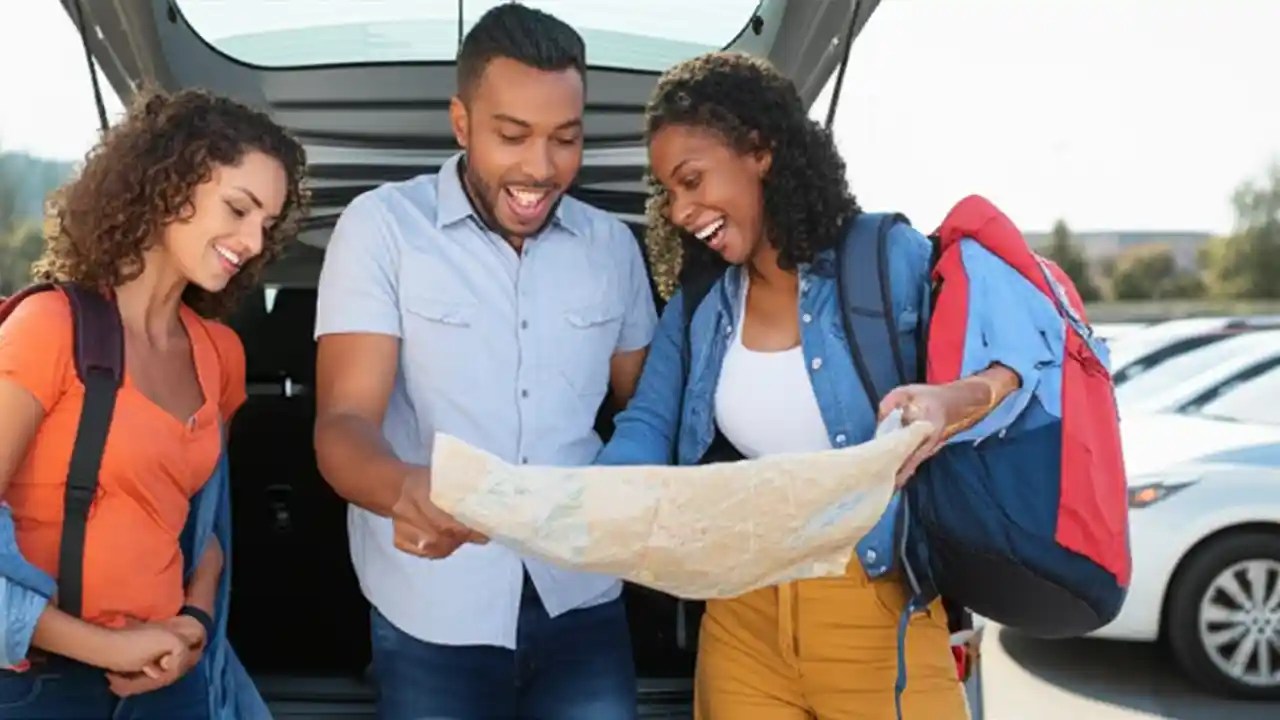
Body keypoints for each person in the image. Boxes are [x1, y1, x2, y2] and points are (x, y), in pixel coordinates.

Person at [595, 51, 1052, 720]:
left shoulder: (881, 259)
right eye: (670, 192)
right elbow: (644, 426)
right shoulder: (700, 306)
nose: (680, 209)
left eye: (692, 181)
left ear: (760, 150)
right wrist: (578, 504)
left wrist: (948, 402)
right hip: (740, 615)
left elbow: (1022, 356)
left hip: (878, 608)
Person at [312, 4, 657, 719]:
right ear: (462, 123)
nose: (540, 166)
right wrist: (402, 487)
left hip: (583, 599)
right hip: (433, 612)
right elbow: (343, 423)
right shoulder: (383, 229)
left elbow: (646, 416)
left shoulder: (613, 249)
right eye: (512, 135)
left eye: (566, 138)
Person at [0, 87, 307, 718]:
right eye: (238, 208)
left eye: (266, 225)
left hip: (172, 683)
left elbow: (201, 524)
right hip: (43, 689)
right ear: (171, 184)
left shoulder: (220, 354)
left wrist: (193, 620)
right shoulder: (49, 328)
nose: (251, 241)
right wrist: (104, 646)